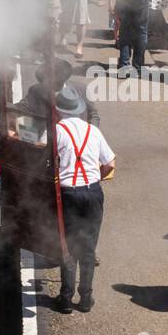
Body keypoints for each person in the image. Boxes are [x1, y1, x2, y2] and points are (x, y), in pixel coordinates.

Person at [53, 87, 116, 313]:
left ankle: (66, 298)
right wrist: (92, 181)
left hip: (68, 194)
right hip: (92, 193)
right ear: (78, 110)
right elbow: (110, 164)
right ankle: (86, 298)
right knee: (88, 248)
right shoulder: (93, 131)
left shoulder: (56, 131)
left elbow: (42, 159)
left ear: (59, 110)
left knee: (68, 246)